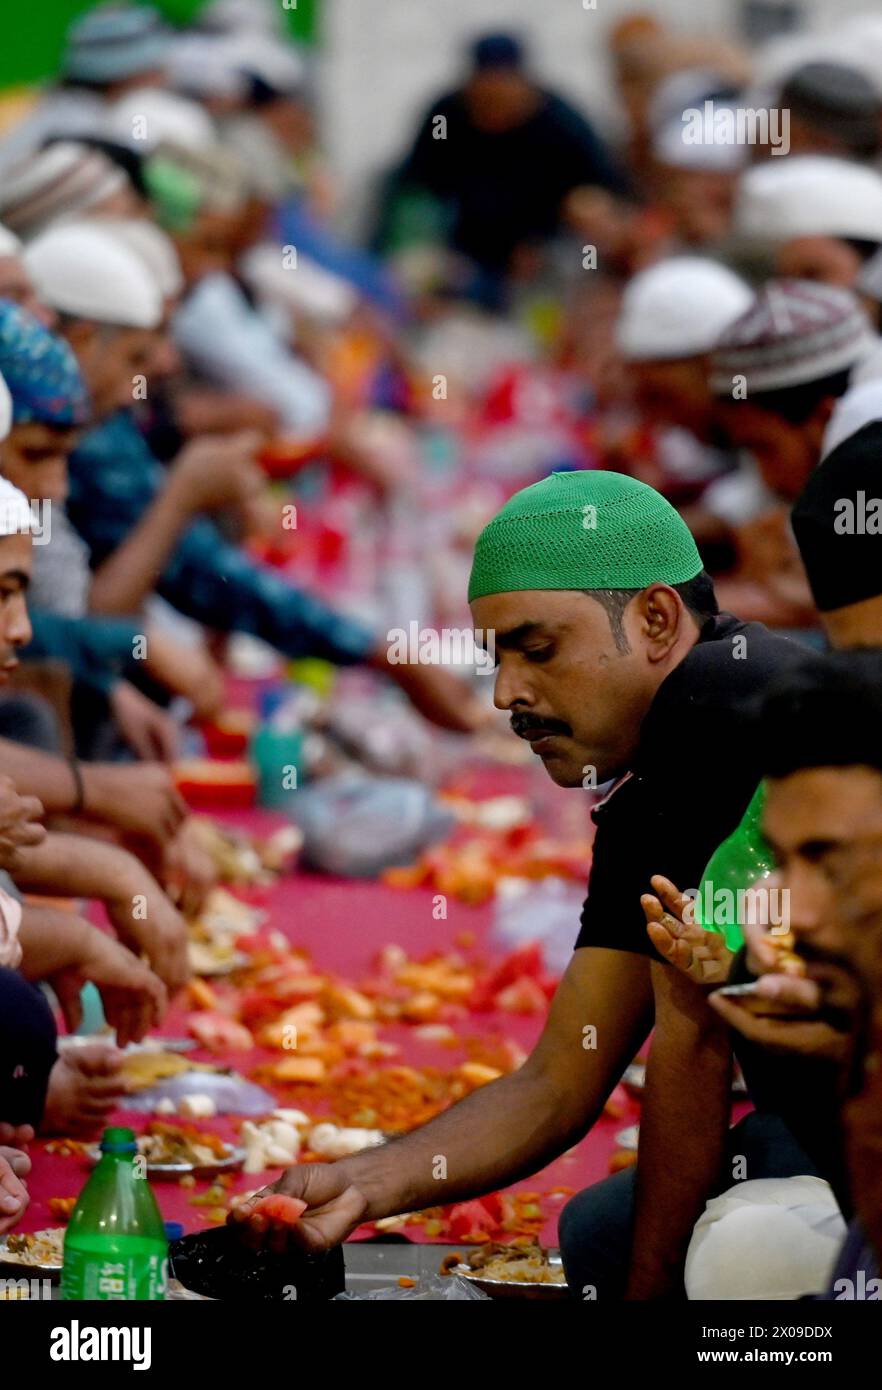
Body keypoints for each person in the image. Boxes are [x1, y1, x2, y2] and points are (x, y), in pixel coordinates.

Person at [229, 468, 809, 1281]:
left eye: (538, 650)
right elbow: (558, 1081)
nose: (507, 692)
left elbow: (693, 1045)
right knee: (602, 1233)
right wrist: (363, 1183)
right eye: (495, 659)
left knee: (703, 1255)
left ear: (654, 618)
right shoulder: (652, 765)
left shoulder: (715, 699)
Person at [21, 219, 486, 733]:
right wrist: (183, 499)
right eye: (141, 351)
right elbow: (70, 629)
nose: (166, 363)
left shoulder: (99, 419)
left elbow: (175, 576)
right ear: (81, 340)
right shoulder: (68, 423)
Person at [382, 31, 627, 287]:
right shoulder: (446, 116)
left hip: (549, 254)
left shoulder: (561, 122)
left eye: (502, 94)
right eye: (485, 97)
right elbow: (413, 186)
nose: (493, 109)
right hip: (463, 253)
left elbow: (605, 186)